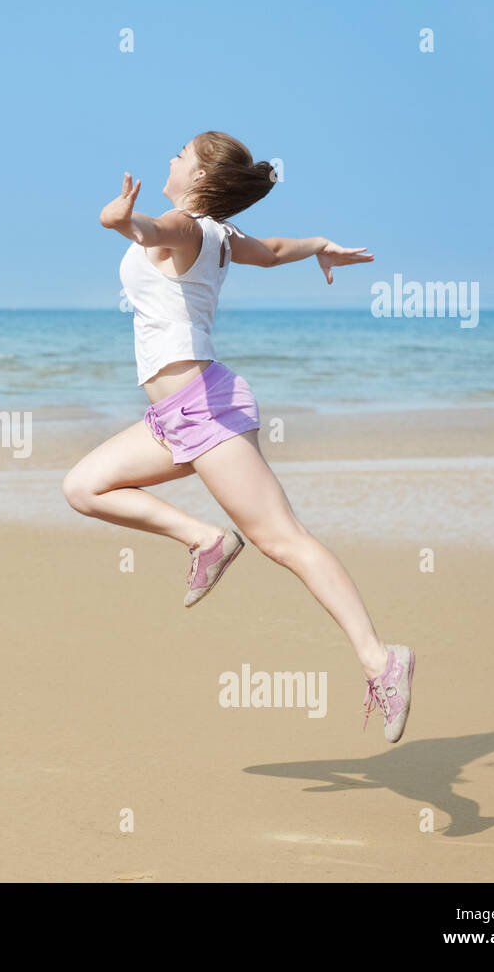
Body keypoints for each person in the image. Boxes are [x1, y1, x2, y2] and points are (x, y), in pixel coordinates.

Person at [61, 131, 414, 742]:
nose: (170, 157)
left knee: (285, 541)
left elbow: (152, 233)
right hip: (176, 417)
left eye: (181, 153)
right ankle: (205, 540)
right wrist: (320, 246)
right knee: (84, 486)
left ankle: (383, 660)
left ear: (198, 178)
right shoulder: (222, 237)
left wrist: (119, 221)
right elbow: (275, 250)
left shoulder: (189, 227)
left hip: (206, 411)